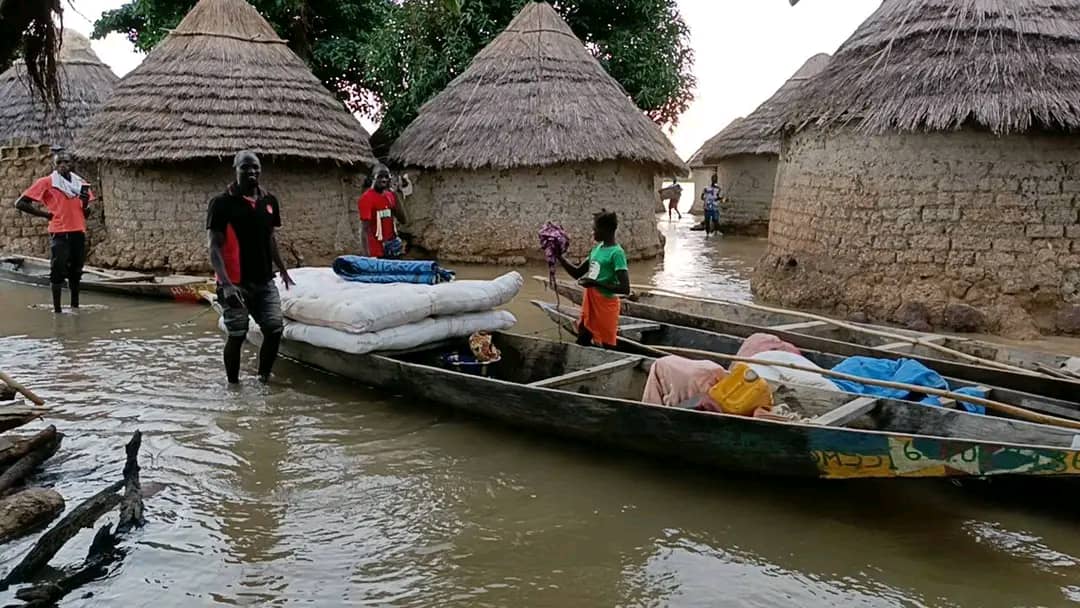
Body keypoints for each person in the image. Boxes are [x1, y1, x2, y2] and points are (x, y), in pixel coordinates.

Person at [207, 150, 295, 385]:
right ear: (235, 170)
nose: (252, 172)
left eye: (255, 167)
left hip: (264, 279)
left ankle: (263, 379)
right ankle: (233, 386)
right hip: (234, 283)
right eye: (245, 167)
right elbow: (214, 247)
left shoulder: (269, 201)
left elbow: (270, 237)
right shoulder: (221, 204)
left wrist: (283, 269)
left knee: (274, 329)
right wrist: (225, 285)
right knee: (237, 335)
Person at [14, 149, 93, 313]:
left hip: (78, 231)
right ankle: (57, 310)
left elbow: (85, 213)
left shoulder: (80, 184)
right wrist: (46, 215)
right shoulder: (47, 182)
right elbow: (21, 203)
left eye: (66, 162)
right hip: (60, 232)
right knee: (58, 271)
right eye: (59, 163)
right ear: (54, 165)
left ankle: (75, 307)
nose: (63, 165)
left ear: (72, 164)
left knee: (76, 271)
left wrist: (85, 203)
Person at [559, 210, 630, 348]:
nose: (593, 233)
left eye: (595, 229)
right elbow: (577, 272)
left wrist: (595, 283)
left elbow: (625, 288)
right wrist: (559, 257)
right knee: (583, 339)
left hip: (605, 305)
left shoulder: (617, 253)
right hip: (590, 303)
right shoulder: (597, 249)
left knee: (608, 345)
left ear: (606, 230)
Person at [357, 166, 409, 259]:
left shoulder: (390, 195)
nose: (384, 179)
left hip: (391, 247)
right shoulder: (367, 198)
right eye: (380, 177)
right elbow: (364, 229)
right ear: (373, 179)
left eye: (386, 177)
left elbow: (403, 220)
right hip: (376, 250)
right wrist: (367, 256)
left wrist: (395, 195)